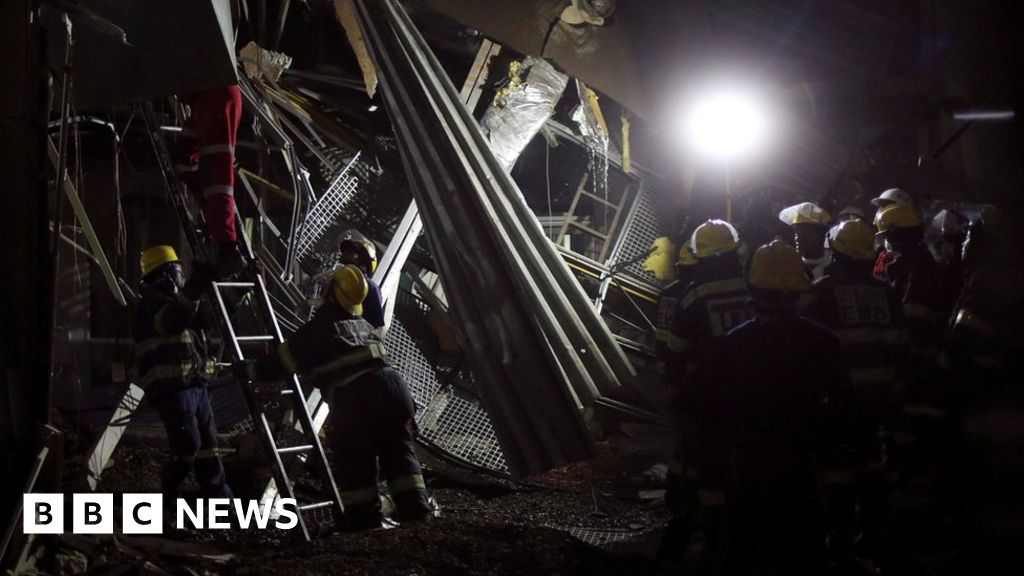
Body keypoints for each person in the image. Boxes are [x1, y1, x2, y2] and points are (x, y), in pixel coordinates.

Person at [689, 240, 855, 575]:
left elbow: (708, 414)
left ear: (752, 285)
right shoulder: (825, 343)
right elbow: (843, 414)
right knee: (803, 554)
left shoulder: (734, 344)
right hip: (803, 468)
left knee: (743, 552)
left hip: (748, 467)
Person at [234, 265, 431, 530]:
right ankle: (419, 516)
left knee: (356, 462)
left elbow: (277, 365)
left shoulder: (321, 327)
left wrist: (247, 369)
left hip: (358, 399)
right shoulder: (362, 325)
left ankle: (364, 523)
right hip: (394, 390)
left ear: (332, 295)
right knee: (400, 455)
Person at [804, 220, 908, 564]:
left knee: (836, 474)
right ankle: (878, 540)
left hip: (837, 402)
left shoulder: (820, 293)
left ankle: (841, 545)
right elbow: (900, 346)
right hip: (880, 399)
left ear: (836, 251)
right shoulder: (888, 293)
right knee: (872, 469)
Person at [661, 219, 753, 567]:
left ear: (701, 257)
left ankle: (710, 535)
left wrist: (673, 387)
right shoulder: (753, 286)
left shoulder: (695, 295)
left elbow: (675, 348)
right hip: (752, 394)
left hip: (708, 398)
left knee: (709, 465)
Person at [133, 245, 232, 500]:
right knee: (189, 446)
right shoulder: (150, 305)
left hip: (194, 385)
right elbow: (173, 321)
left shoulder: (181, 302)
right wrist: (196, 285)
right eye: (178, 270)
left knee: (209, 446)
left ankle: (220, 497)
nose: (183, 276)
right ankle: (167, 494)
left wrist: (236, 286)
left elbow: (210, 319)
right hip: (172, 390)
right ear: (165, 274)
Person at [182, 85, 246, 278]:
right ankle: (216, 224)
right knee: (182, 158)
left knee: (217, 180)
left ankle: (229, 250)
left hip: (215, 96)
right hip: (205, 98)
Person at [338, 229, 384, 330]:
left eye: (351, 251)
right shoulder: (339, 277)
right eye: (346, 250)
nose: (345, 254)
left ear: (363, 260)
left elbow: (374, 324)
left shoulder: (370, 287)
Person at [778, 201, 833, 279]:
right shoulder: (790, 268)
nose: (797, 238)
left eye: (804, 232)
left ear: (821, 234)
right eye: (796, 232)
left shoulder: (836, 266)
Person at [869, 188, 914, 281]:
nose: (882, 210)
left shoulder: (915, 255)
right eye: (881, 206)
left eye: (886, 206)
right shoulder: (884, 249)